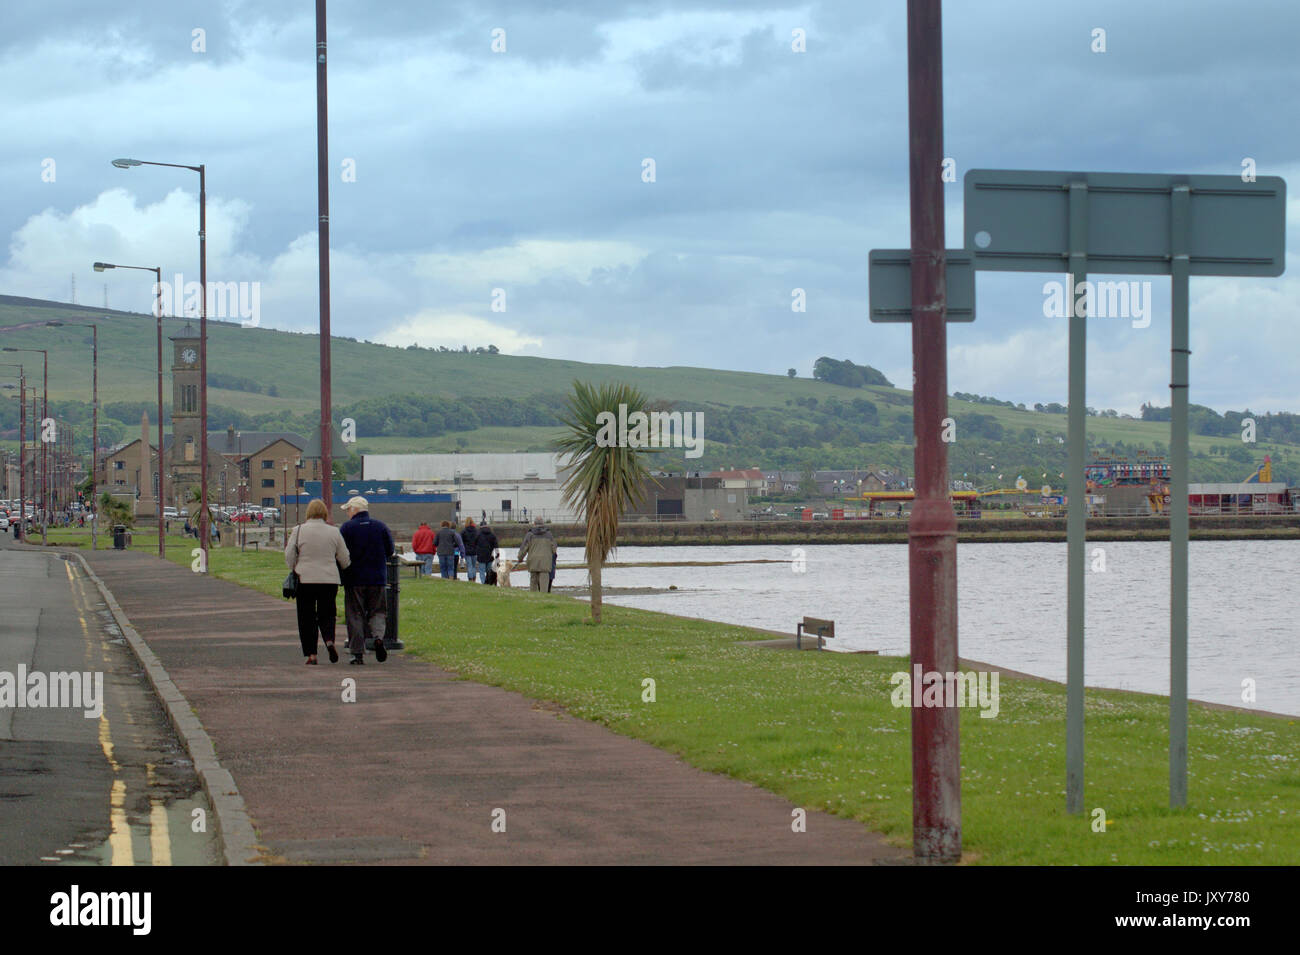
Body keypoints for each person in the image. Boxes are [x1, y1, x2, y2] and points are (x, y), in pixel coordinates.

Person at [285, 499, 350, 665]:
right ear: (324, 514)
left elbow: (289, 555)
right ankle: (329, 640)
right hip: (329, 580)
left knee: (306, 617)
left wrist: (294, 566)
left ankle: (311, 654)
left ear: (308, 513)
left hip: (305, 579)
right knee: (327, 613)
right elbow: (344, 558)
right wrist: (343, 566)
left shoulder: (298, 530)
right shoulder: (334, 532)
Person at [339, 496, 393, 664]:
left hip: (354, 578)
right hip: (377, 578)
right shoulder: (380, 526)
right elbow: (389, 550)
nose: (347, 513)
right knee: (378, 611)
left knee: (355, 614)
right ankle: (378, 638)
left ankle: (357, 653)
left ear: (354, 510)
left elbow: (340, 553)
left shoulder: (347, 528)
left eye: (348, 510)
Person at [517, 517, 557, 592]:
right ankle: (543, 601)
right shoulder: (549, 535)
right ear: (543, 524)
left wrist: (520, 558)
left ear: (534, 524)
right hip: (545, 563)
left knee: (533, 585)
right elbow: (554, 549)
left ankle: (533, 600)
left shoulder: (530, 534)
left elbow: (523, 549)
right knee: (544, 587)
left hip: (533, 562)